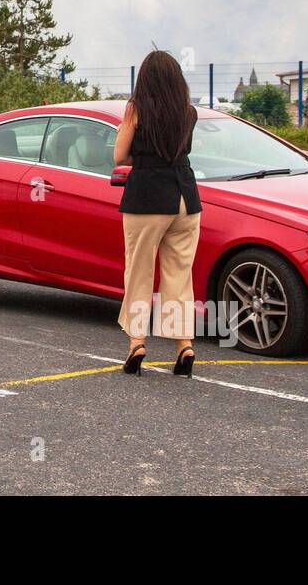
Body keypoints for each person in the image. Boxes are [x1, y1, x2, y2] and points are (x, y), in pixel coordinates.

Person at [112, 50, 202, 377]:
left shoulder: (135, 109)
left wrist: (141, 156)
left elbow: (120, 155)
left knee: (139, 270)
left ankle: (137, 342)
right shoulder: (188, 112)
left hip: (148, 197)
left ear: (144, 79)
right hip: (186, 198)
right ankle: (185, 345)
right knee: (179, 273)